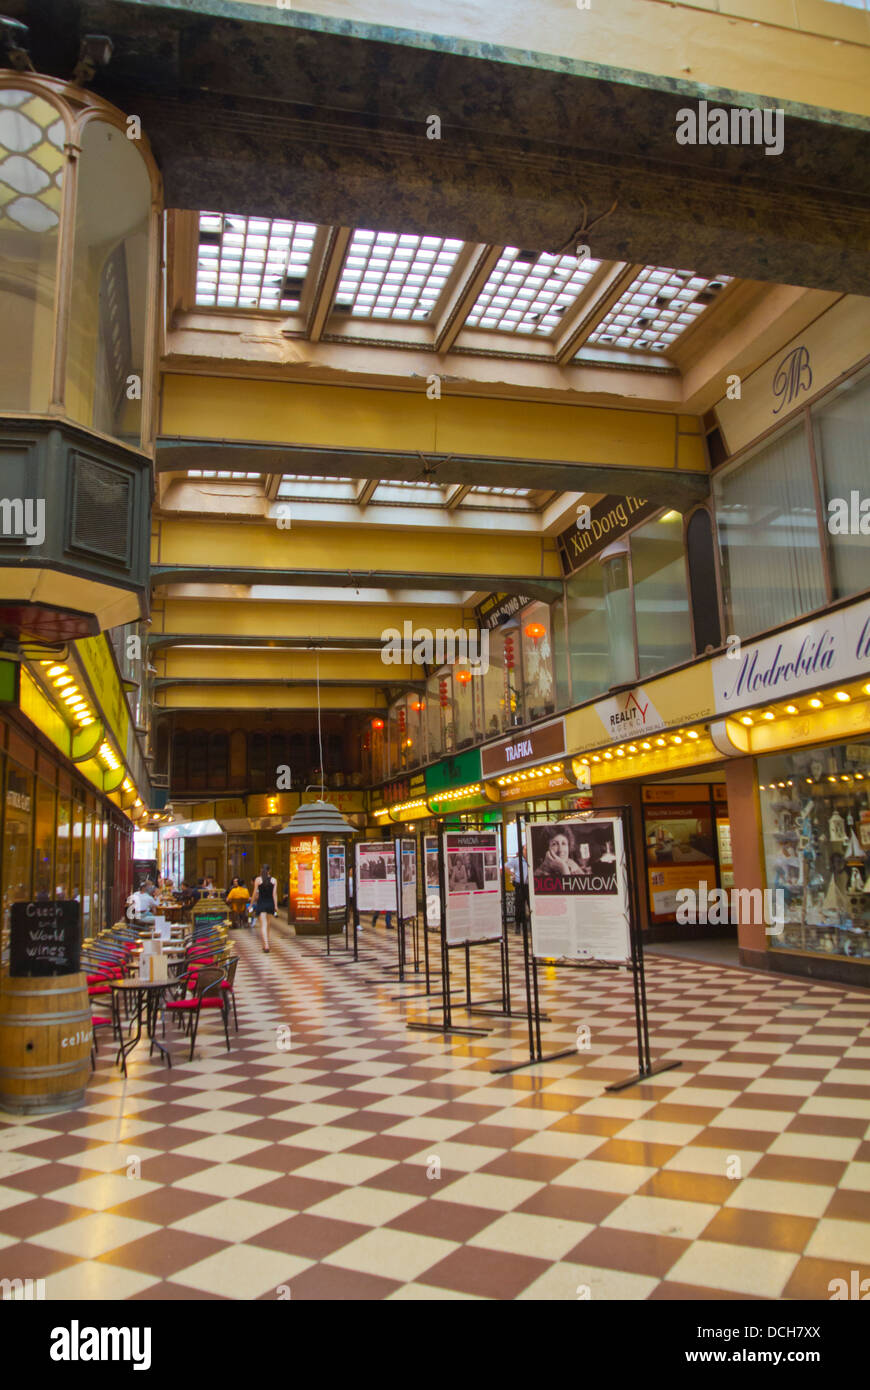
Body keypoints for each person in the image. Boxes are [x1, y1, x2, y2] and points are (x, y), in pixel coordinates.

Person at [251, 864, 276, 952]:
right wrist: (276, 906)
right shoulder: (273, 880)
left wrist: (251, 904)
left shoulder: (258, 879)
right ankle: (266, 943)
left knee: (263, 925)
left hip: (261, 903)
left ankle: (266, 945)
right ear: (270, 871)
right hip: (270, 903)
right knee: (268, 924)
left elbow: (254, 893)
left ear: (261, 870)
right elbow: (274, 894)